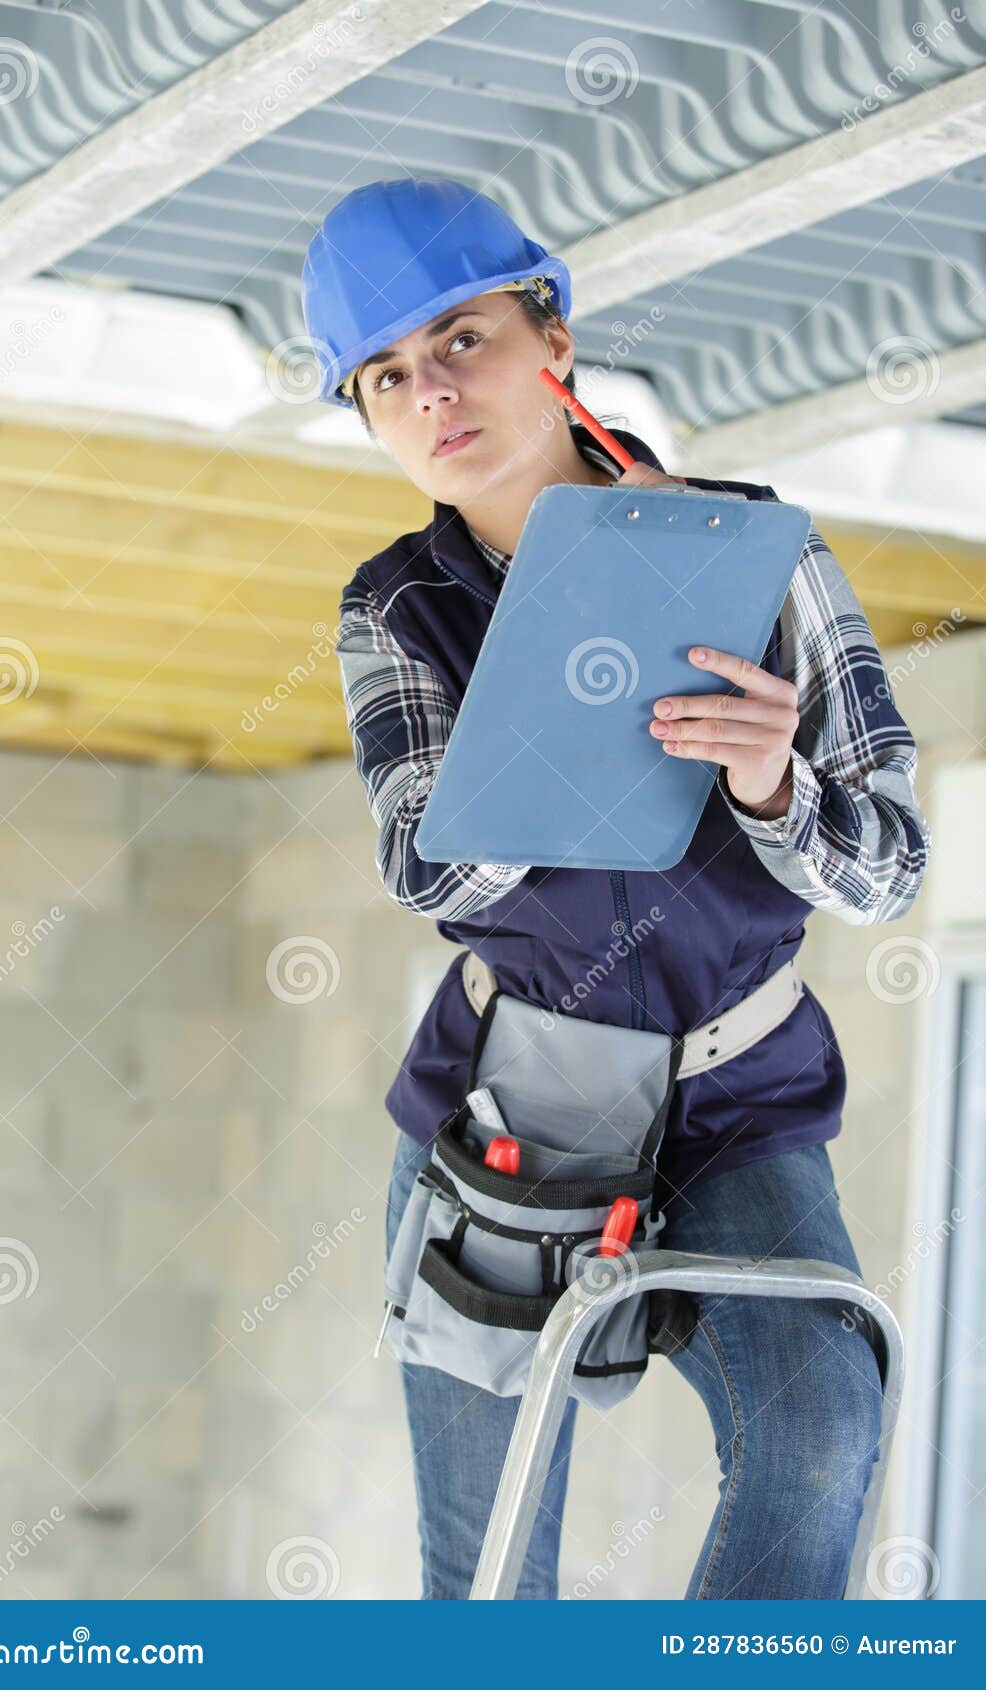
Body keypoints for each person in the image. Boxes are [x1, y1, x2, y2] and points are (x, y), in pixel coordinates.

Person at [301, 176, 932, 1600]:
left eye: (459, 338)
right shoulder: (395, 605)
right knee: (487, 1572)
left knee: (820, 1423)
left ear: (553, 339)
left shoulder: (754, 548)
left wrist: (776, 782)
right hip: (508, 1100)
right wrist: (577, 638)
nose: (430, 395)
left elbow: (889, 866)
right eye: (384, 376)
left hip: (738, 1093)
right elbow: (424, 864)